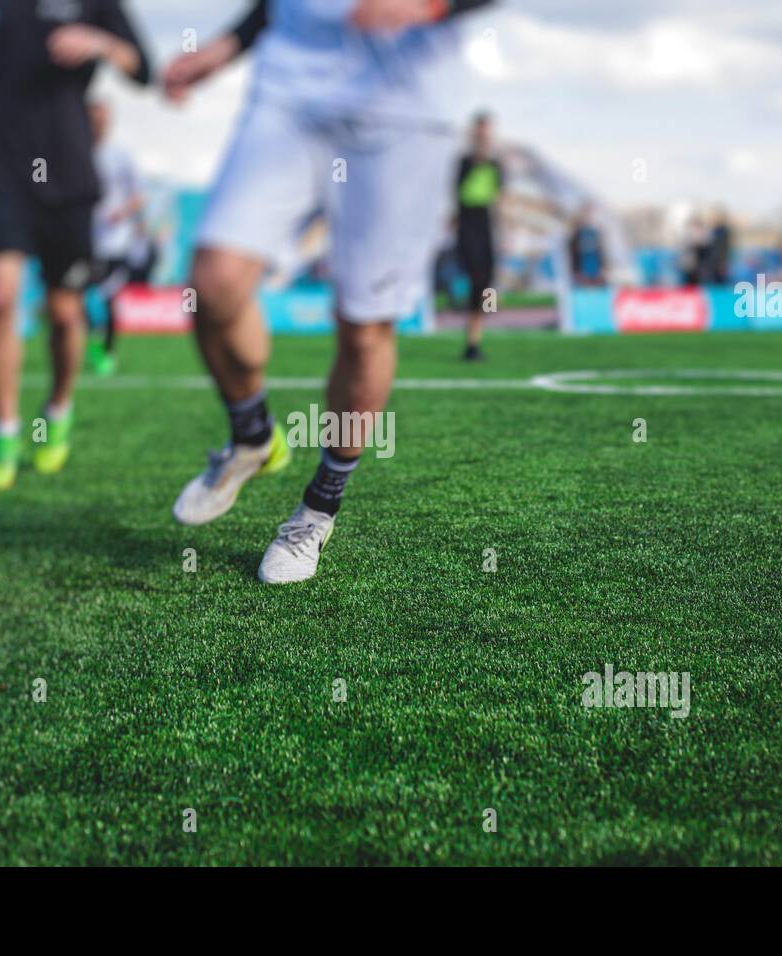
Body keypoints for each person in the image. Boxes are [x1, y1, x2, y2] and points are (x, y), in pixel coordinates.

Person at [162, 0, 495, 585]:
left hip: (404, 107)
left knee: (364, 327)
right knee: (213, 283)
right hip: (291, 90)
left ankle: (318, 509)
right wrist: (228, 44)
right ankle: (251, 438)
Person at [0, 0, 150, 492]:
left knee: (63, 312)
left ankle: (57, 409)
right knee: (0, 295)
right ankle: (5, 432)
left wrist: (101, 42)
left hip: (68, 172)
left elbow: (144, 69)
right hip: (0, 166)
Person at [85, 100, 149, 377]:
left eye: (103, 118)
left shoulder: (121, 155)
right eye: (93, 118)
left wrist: (122, 213)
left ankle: (106, 352)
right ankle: (90, 343)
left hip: (114, 242)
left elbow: (140, 197)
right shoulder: (75, 152)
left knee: (107, 295)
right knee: (79, 297)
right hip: (82, 239)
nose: (98, 124)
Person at [455, 112, 505, 361]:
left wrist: (505, 232)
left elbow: (499, 199)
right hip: (467, 228)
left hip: (486, 229)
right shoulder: (464, 163)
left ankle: (473, 343)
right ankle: (457, 304)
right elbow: (461, 193)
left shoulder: (496, 166)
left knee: (485, 286)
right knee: (475, 280)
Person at [569, 203, 605, 287]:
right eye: (585, 214)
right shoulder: (577, 234)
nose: (588, 216)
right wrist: (576, 271)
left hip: (596, 271)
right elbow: (573, 254)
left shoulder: (595, 232)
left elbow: (600, 252)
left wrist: (602, 269)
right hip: (582, 273)